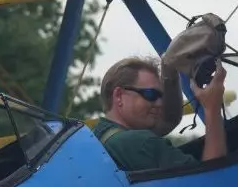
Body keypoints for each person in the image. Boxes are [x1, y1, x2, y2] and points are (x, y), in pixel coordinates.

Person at [92, 56, 227, 171]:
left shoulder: (98, 136)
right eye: (151, 94)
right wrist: (212, 108)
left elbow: (168, 121)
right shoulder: (141, 143)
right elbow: (209, 182)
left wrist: (171, 77)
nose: (160, 103)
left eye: (161, 96)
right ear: (119, 96)